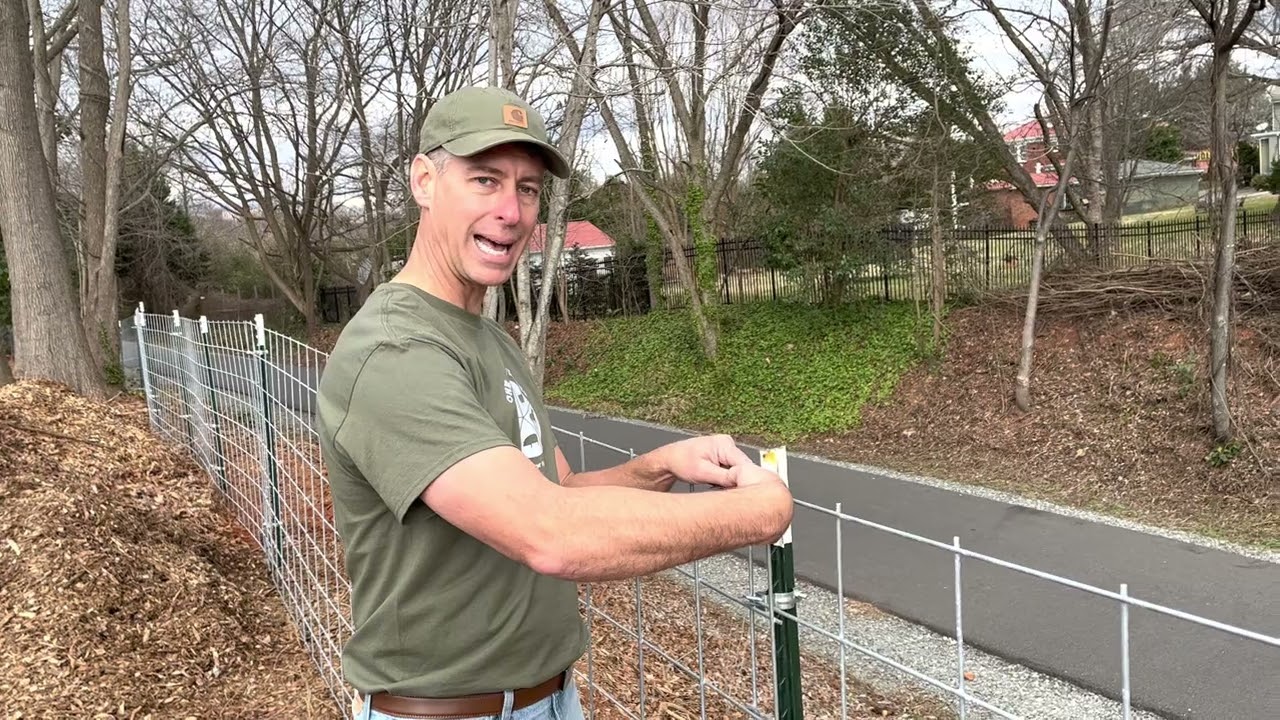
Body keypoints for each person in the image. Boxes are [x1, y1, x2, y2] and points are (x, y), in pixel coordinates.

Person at [316, 85, 794, 720]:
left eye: (529, 189)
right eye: (485, 180)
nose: (511, 211)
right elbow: (549, 534)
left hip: (548, 698)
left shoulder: (490, 339)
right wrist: (763, 514)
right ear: (425, 181)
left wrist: (661, 465)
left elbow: (559, 490)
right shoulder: (396, 351)